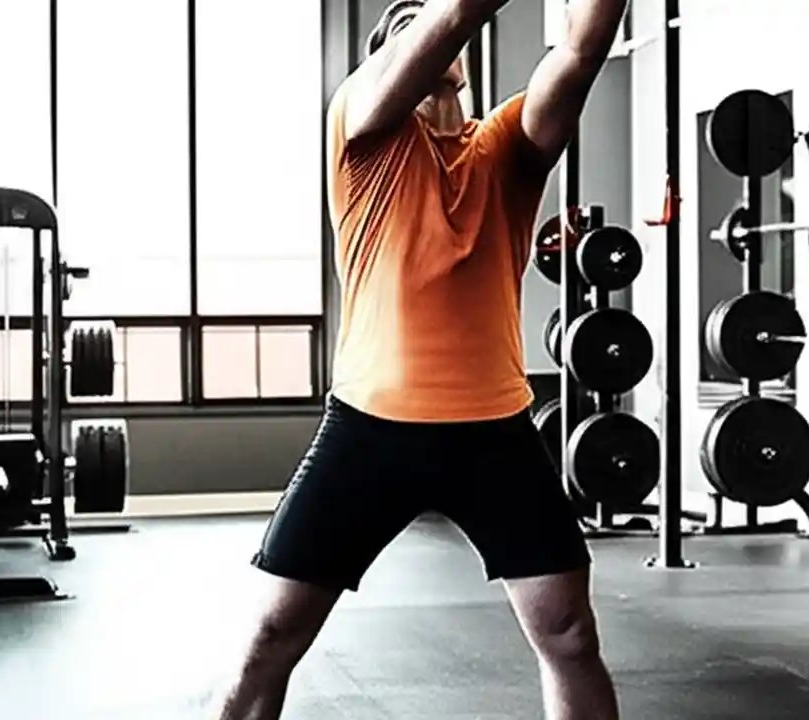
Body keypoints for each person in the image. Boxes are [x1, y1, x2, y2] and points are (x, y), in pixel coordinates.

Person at [211, 0, 628, 718]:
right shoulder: (361, 131)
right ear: (383, 60)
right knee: (270, 635)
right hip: (369, 427)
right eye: (408, 20)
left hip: (494, 429)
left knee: (569, 634)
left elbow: (580, 51)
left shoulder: (506, 148)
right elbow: (456, 16)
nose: (426, 22)